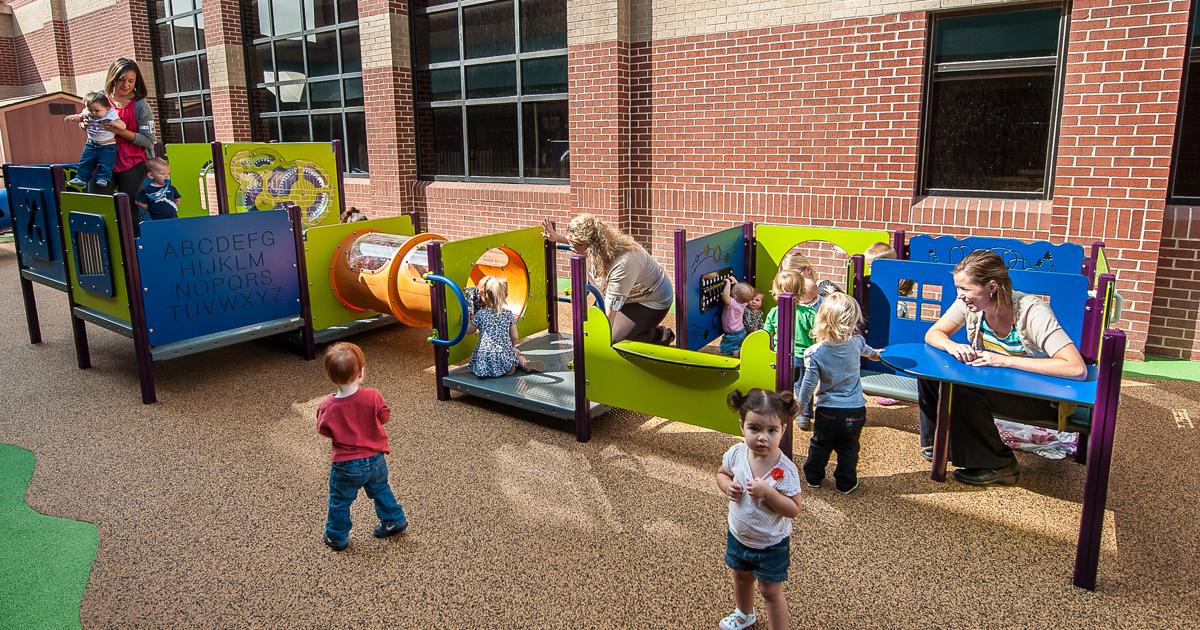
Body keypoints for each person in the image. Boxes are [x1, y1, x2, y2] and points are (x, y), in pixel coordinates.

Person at [918, 250, 1087, 485]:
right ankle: (939, 443)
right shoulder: (969, 305)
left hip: (1038, 396)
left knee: (962, 390)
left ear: (992, 287)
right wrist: (951, 346)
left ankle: (1000, 463)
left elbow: (1076, 368)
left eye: (966, 289)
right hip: (998, 386)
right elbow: (934, 333)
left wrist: (1004, 359)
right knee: (931, 376)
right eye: (958, 288)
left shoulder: (1032, 311)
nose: (960, 296)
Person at [715, 388, 803, 630]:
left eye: (771, 430)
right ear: (742, 426)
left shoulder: (785, 470)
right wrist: (727, 486)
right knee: (740, 577)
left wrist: (770, 494)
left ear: (783, 430)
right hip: (739, 536)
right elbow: (722, 474)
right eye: (754, 428)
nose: (763, 437)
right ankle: (744, 614)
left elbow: (794, 508)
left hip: (771, 543)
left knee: (770, 591)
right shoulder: (736, 454)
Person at [316, 342, 408, 551]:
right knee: (381, 489)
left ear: (330, 376)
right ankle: (394, 519)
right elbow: (384, 416)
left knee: (340, 500)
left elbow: (323, 430)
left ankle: (336, 537)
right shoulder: (373, 396)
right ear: (361, 373)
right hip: (375, 458)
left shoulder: (327, 407)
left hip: (346, 465)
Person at [542, 214, 675, 345]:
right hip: (625, 295)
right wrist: (558, 238)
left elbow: (611, 310)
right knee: (591, 330)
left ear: (592, 246)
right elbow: (579, 243)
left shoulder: (624, 263)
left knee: (614, 339)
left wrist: (602, 342)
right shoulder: (594, 248)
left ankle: (660, 335)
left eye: (576, 245)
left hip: (651, 300)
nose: (572, 248)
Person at [797, 293, 882, 494]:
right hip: (855, 409)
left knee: (820, 444)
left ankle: (814, 476)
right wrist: (880, 355)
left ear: (822, 319)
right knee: (849, 448)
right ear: (853, 321)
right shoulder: (857, 343)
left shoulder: (815, 352)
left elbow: (809, 384)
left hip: (827, 411)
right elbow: (873, 354)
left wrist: (800, 406)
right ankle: (846, 482)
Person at [86, 58, 157, 197]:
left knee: (129, 207)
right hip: (102, 161)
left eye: (131, 81)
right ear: (113, 79)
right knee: (98, 206)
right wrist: (84, 124)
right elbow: (87, 119)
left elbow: (148, 140)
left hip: (133, 163)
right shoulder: (99, 99)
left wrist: (119, 131)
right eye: (121, 80)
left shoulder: (141, 106)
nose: (126, 85)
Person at [762, 269, 818, 427]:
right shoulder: (809, 313)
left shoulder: (774, 312)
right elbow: (815, 335)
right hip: (802, 355)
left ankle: (781, 411)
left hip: (781, 356)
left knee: (781, 384)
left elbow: (766, 333)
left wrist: (769, 349)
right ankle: (804, 414)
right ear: (801, 291)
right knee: (802, 385)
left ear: (776, 291)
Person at [862, 241, 912, 406]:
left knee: (893, 353)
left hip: (893, 328)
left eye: (872, 267)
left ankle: (896, 389)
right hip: (880, 327)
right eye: (869, 266)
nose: (869, 271)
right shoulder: (875, 282)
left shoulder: (893, 286)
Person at [467, 276, 543, 377]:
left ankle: (487, 368)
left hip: (484, 363)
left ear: (485, 295)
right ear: (505, 296)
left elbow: (469, 331)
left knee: (480, 355)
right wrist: (511, 347)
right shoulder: (508, 314)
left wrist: (464, 321)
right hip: (504, 364)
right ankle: (525, 364)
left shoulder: (480, 314)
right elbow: (515, 337)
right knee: (514, 353)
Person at [64, 92, 125, 189]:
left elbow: (123, 125)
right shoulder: (87, 113)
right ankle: (81, 178)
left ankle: (103, 178)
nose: (93, 113)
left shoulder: (111, 114)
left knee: (106, 162)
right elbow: (80, 117)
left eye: (97, 111)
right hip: (91, 145)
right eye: (90, 110)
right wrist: (72, 118)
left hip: (107, 146)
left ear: (107, 108)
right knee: (85, 161)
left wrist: (115, 124)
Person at [719, 278, 761, 357]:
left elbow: (725, 296)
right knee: (737, 342)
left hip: (732, 333)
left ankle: (735, 351)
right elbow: (741, 293)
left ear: (735, 296)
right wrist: (735, 282)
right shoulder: (744, 303)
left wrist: (728, 283)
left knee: (724, 348)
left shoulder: (731, 304)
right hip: (741, 331)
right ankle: (739, 348)